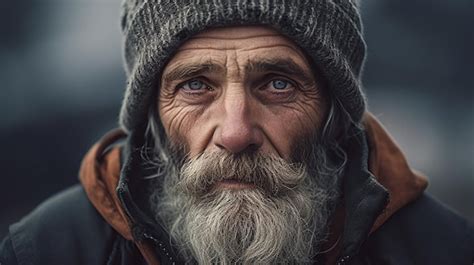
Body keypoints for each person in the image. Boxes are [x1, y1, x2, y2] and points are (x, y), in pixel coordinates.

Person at [1, 1, 473, 264]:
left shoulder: (445, 252)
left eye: (279, 84)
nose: (235, 131)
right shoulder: (44, 252)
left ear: (334, 112)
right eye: (194, 85)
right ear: (152, 116)